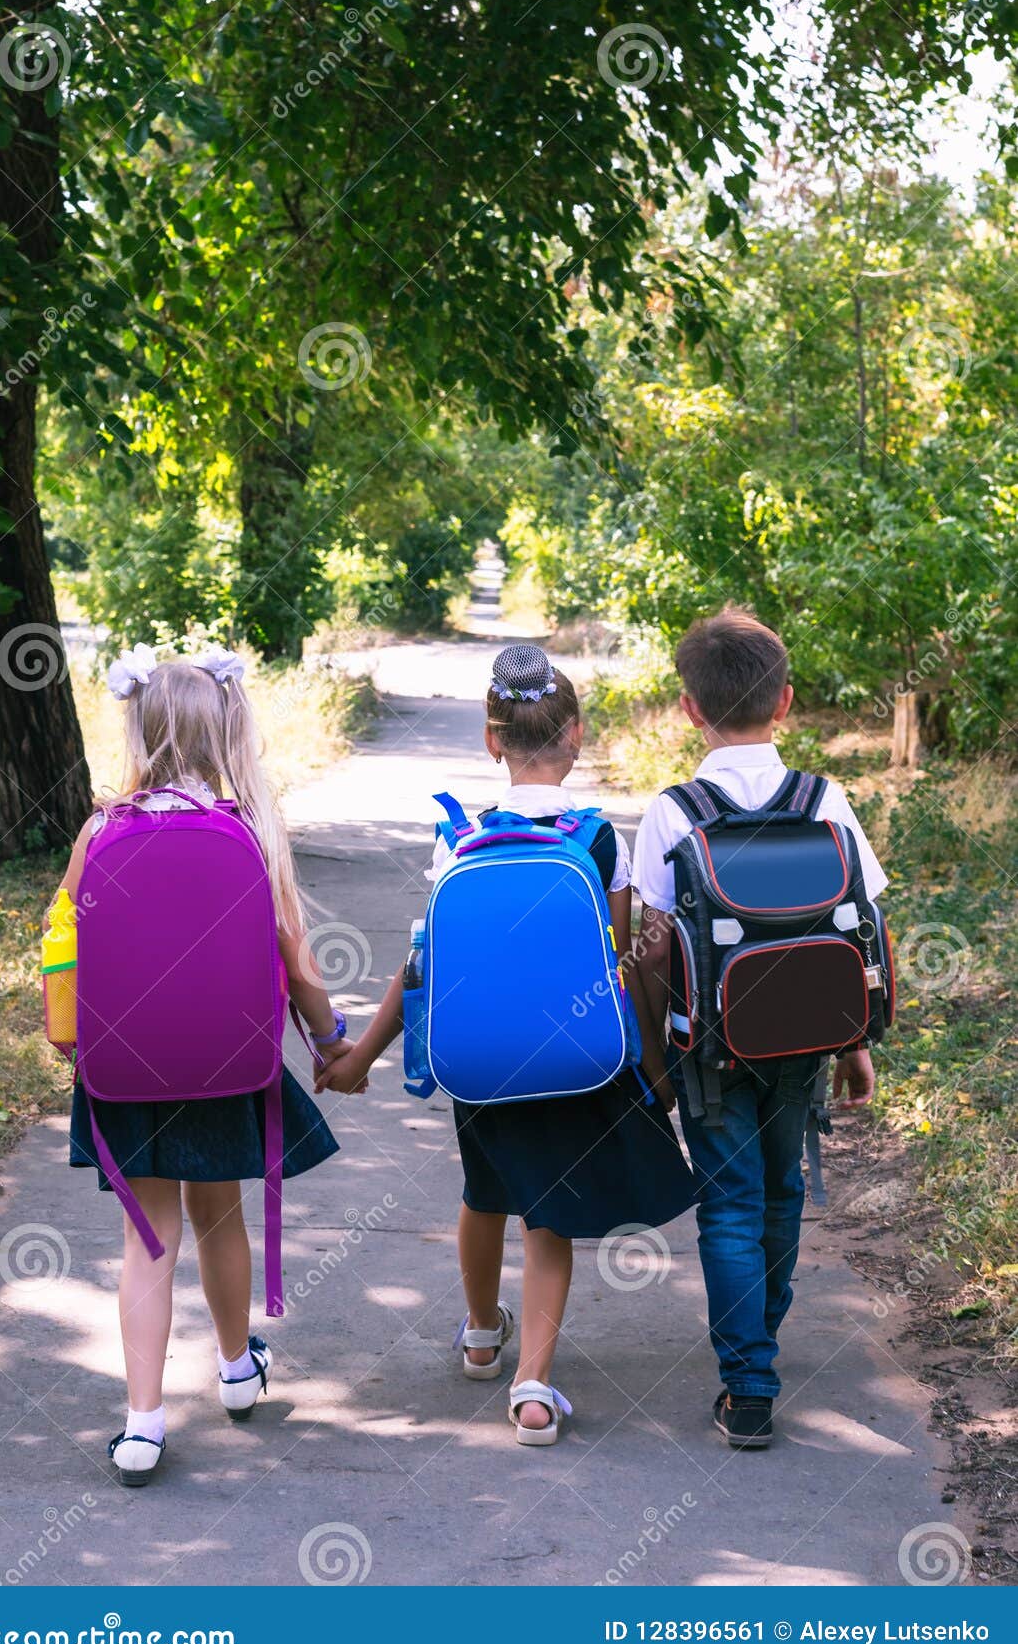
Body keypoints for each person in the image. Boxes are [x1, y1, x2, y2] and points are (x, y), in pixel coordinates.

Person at [318, 645, 694, 1445]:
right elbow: (621, 966)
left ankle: (482, 1333)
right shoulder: (600, 839)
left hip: (483, 1062)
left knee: (484, 1192)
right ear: (576, 735)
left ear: (491, 740)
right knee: (547, 1216)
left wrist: (359, 1057)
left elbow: (422, 968)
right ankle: (532, 1388)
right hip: (576, 1061)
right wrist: (655, 1069)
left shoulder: (457, 841)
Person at [56, 645, 359, 1485]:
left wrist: (71, 1036)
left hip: (127, 1063)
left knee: (145, 1236)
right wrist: (330, 1037)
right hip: (229, 1060)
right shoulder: (250, 831)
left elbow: (65, 940)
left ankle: (142, 1424)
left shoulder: (101, 831)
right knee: (219, 1214)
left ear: (137, 729)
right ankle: (234, 1369)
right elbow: (296, 957)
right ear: (227, 731)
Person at [633, 607, 887, 1448]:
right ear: (784, 702)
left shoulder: (673, 811)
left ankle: (748, 1385)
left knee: (729, 1204)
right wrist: (853, 1045)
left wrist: (654, 1061)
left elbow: (649, 951)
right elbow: (858, 930)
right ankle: (759, 1341)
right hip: (805, 1039)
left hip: (709, 1050)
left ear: (687, 709)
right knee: (782, 1192)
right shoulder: (824, 799)